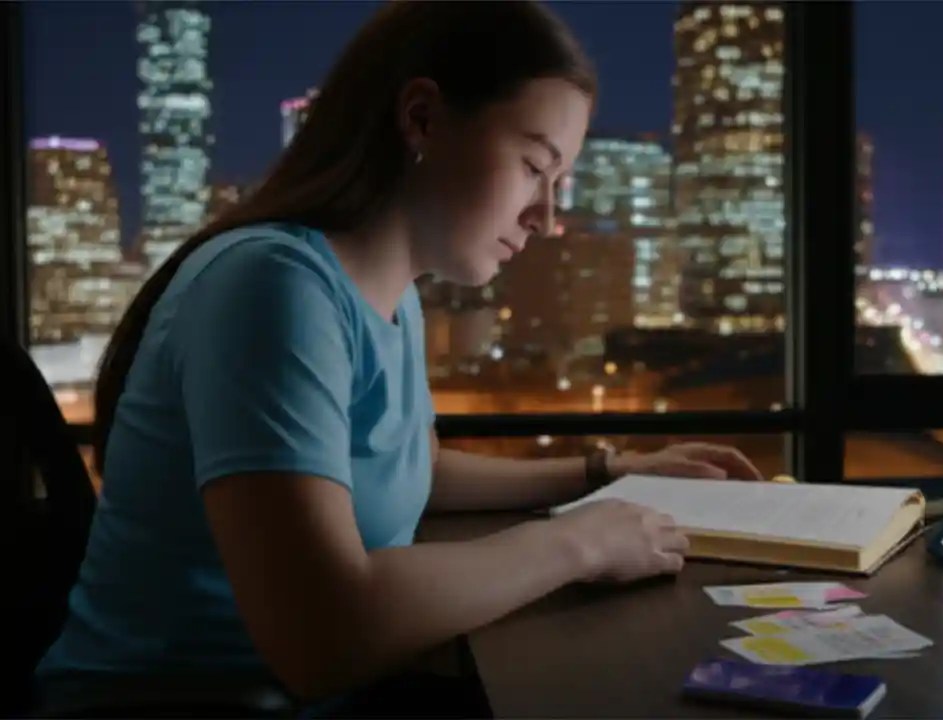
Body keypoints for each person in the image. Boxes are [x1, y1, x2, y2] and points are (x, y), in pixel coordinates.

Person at [34, 2, 763, 717]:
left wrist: (604, 474)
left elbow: (414, 468)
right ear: (422, 118)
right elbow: (322, 634)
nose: (547, 214)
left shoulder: (393, 298)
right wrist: (578, 543)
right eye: (534, 166)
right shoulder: (274, 287)